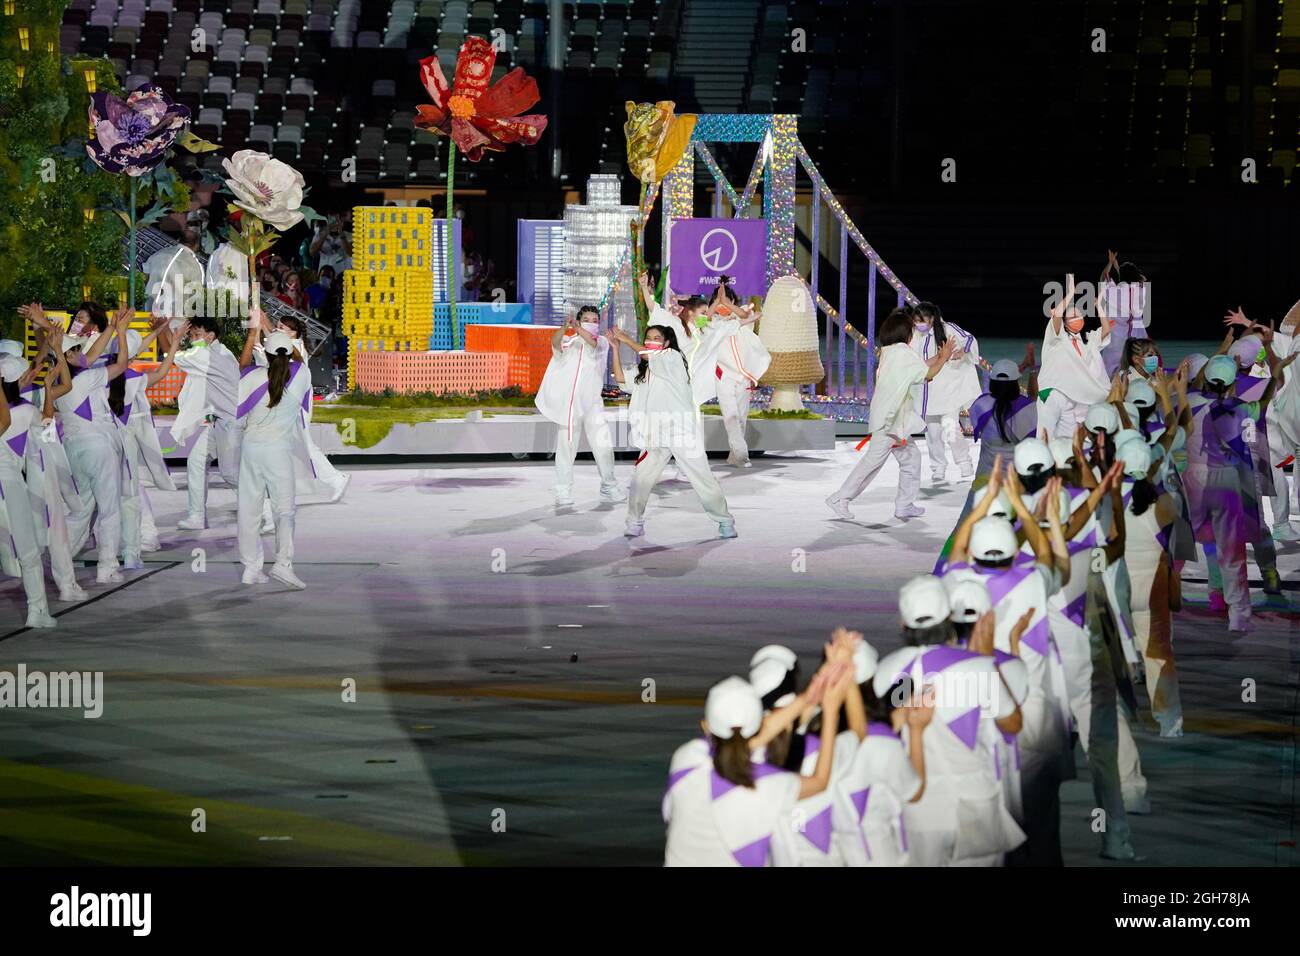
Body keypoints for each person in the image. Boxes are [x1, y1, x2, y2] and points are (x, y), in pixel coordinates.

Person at [872, 574, 1026, 866]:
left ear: (903, 625)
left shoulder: (888, 671)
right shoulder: (978, 667)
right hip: (977, 805)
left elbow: (890, 723)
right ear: (948, 620)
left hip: (920, 810)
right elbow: (1013, 724)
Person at [662, 665, 849, 866]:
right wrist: (829, 711)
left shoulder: (687, 759)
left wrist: (806, 699)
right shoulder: (769, 784)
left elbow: (739, 744)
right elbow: (820, 781)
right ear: (759, 725)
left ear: (706, 727)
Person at [825, 307, 959, 522]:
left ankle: (904, 505)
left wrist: (940, 356)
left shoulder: (892, 351)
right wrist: (943, 358)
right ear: (905, 332)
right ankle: (840, 498)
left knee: (911, 460)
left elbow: (920, 368)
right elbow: (928, 374)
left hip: (896, 423)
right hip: (890, 422)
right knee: (872, 463)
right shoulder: (902, 353)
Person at [608, 324, 736, 538]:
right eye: (648, 337)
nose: (652, 341)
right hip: (654, 435)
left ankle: (725, 521)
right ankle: (634, 521)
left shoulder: (672, 357)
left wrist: (626, 338)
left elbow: (647, 355)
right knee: (640, 480)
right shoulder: (645, 371)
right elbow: (621, 379)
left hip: (681, 432)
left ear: (666, 342)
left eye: (657, 338)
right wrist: (615, 347)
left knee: (703, 478)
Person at [48, 305, 133, 584]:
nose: (83, 354)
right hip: (98, 448)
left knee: (80, 510)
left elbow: (89, 355)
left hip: (73, 450)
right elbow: (120, 365)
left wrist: (111, 328)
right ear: (70, 356)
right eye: (76, 352)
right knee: (109, 510)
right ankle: (107, 566)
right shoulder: (86, 378)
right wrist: (120, 333)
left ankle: (59, 560)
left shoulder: (56, 389)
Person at [235, 313, 313, 589]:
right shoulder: (301, 373)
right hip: (278, 452)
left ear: (265, 354)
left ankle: (250, 568)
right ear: (290, 349)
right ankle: (283, 564)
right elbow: (300, 362)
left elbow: (242, 365)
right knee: (285, 511)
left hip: (251, 450)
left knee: (249, 508)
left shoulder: (254, 376)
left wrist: (252, 334)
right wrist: (281, 340)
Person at [1114, 435, 1183, 738]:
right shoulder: (1167, 502)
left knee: (1113, 654)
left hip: (1117, 584)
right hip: (1153, 586)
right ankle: (1170, 721)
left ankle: (1117, 717)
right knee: (1158, 655)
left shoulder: (1108, 499)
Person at [535, 307, 622, 507]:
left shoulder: (602, 343)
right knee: (566, 448)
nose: (591, 322)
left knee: (603, 447)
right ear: (580, 321)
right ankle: (563, 490)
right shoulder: (570, 342)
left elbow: (591, 343)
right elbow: (555, 342)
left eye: (594, 320)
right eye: (586, 319)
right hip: (570, 407)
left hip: (593, 405)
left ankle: (608, 487)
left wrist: (578, 328)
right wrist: (565, 328)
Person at [115, 320, 180, 570]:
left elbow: (132, 349)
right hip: (127, 446)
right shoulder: (135, 378)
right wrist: (170, 342)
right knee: (132, 494)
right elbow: (162, 371)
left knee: (114, 498)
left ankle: (122, 546)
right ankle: (143, 540)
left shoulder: (101, 375)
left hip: (109, 444)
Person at [0, 352, 57, 627]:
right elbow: (47, 427)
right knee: (28, 551)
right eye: (24, 376)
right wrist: (48, 390)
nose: (28, 379)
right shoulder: (24, 411)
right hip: (9, 484)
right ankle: (38, 611)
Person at [172, 317, 242, 530]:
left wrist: (172, 337)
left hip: (231, 421)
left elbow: (173, 355)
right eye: (191, 335)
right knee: (196, 461)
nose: (192, 339)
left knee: (230, 472)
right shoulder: (217, 351)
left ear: (211, 336)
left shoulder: (208, 355)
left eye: (197, 335)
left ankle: (266, 509)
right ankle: (196, 516)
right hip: (215, 419)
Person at [907, 302, 983, 482]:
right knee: (932, 432)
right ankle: (938, 466)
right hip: (927, 391)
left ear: (932, 318)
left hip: (948, 389)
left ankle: (964, 463)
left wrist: (962, 352)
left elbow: (970, 340)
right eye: (916, 320)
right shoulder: (915, 335)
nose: (919, 323)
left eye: (922, 320)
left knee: (950, 427)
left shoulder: (949, 329)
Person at [1038, 276, 1113, 440]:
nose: (1077, 318)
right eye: (1072, 316)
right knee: (1045, 438)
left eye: (1079, 316)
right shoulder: (1057, 338)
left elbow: (1106, 330)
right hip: (1054, 395)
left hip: (1080, 401)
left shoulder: (1088, 342)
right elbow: (1057, 315)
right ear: (1065, 323)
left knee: (1068, 443)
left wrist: (1099, 307)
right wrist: (1071, 293)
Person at [709, 280, 771, 468]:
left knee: (741, 416)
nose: (723, 305)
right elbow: (706, 316)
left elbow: (745, 314)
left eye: (728, 301)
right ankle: (742, 452)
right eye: (720, 301)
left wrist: (727, 302)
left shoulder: (742, 316)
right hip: (723, 374)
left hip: (743, 376)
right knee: (730, 414)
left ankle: (735, 455)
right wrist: (716, 302)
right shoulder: (712, 323)